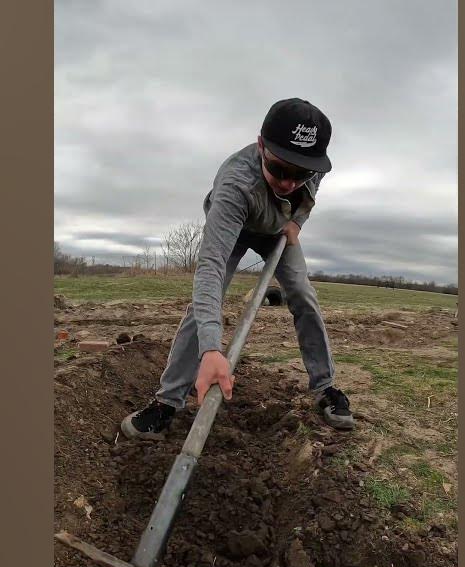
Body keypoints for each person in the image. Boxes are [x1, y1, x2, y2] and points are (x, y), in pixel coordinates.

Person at [121, 98, 355, 440]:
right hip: (237, 227)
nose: (289, 183)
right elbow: (210, 268)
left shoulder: (313, 167)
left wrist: (297, 222)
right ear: (261, 146)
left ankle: (325, 387)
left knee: (303, 295)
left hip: (278, 230)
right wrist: (211, 349)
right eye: (279, 170)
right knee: (203, 306)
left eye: (300, 173)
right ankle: (167, 402)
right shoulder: (235, 185)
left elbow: (309, 190)